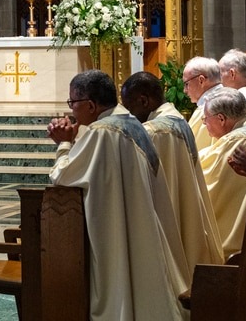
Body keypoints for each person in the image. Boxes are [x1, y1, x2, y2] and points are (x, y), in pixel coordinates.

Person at [47, 70, 189, 321]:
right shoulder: (130, 122)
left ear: (90, 105)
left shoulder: (102, 132)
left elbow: (63, 176)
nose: (71, 111)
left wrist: (64, 144)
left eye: (73, 103)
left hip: (116, 227)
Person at [120, 71, 224, 269]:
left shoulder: (153, 132)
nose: (128, 113)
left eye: (128, 106)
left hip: (168, 218)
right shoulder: (177, 119)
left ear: (143, 101)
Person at [198, 87, 246, 260]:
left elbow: (206, 180)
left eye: (206, 119)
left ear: (221, 119)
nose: (204, 124)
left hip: (233, 249)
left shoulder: (235, 141)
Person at [183, 56, 225, 151]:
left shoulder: (206, 110)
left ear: (201, 80)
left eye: (186, 84)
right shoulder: (234, 97)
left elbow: (193, 151)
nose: (185, 90)